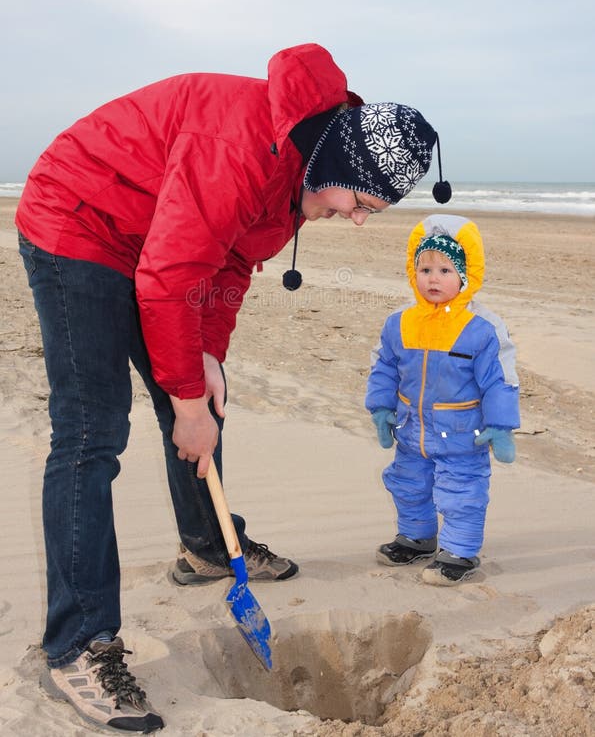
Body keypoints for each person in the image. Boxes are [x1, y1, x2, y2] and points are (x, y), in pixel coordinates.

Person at [16, 42, 450, 732]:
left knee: (200, 396)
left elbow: (224, 269)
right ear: (340, 165)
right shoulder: (240, 149)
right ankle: (78, 644)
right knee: (92, 428)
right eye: (363, 202)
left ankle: (207, 545)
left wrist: (206, 361)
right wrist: (184, 397)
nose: (360, 219)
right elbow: (169, 275)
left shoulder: (294, 182)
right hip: (83, 221)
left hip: (157, 243)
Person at [366, 213, 520, 587]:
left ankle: (460, 550)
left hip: (462, 433)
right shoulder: (399, 322)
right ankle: (417, 537)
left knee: (461, 490)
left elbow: (500, 380)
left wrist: (500, 426)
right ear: (412, 272)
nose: (433, 278)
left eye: (445, 270)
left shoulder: (481, 328)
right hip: (411, 429)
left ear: (466, 276)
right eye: (425, 269)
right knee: (407, 483)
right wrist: (381, 407)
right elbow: (384, 365)